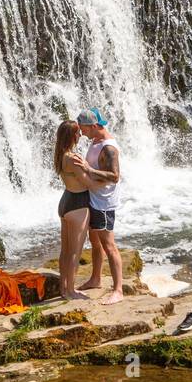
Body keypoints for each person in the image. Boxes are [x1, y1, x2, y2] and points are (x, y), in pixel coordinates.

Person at [68, 107, 125, 305]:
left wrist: (88, 168)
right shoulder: (96, 140)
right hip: (94, 198)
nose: (81, 133)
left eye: (83, 129)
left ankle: (118, 290)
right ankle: (96, 279)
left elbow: (115, 176)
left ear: (94, 125)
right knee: (95, 242)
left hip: (104, 203)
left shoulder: (109, 148)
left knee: (109, 246)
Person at [52, 119, 91, 301]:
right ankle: (71, 291)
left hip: (65, 202)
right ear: (72, 136)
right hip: (78, 204)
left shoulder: (60, 155)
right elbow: (88, 182)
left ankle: (63, 288)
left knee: (65, 250)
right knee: (75, 251)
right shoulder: (73, 159)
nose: (80, 135)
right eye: (78, 133)